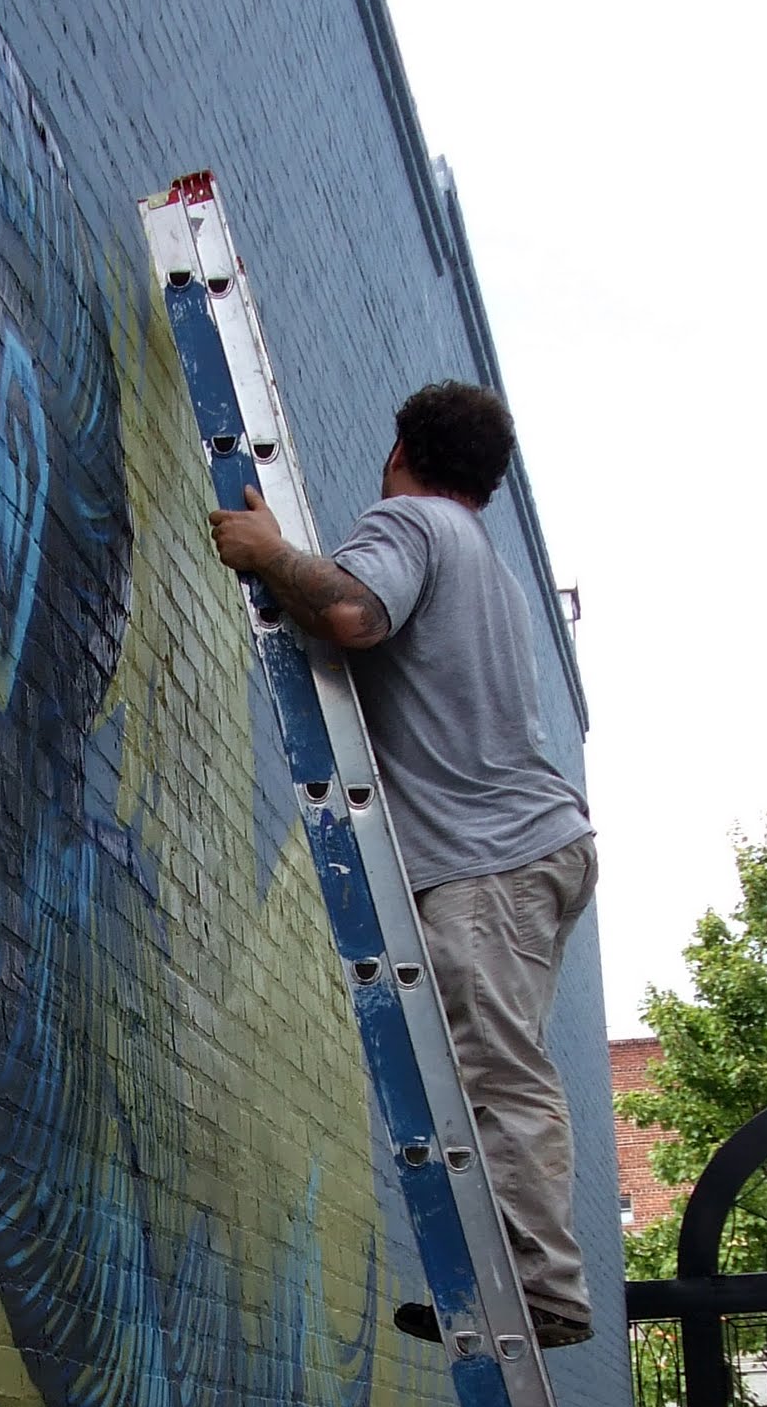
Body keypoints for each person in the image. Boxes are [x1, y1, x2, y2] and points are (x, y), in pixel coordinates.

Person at [207, 379, 597, 1348]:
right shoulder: (485, 564)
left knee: (494, 1066)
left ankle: (541, 1288)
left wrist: (270, 557)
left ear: (399, 452)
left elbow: (355, 616)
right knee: (483, 1067)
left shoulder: (413, 522)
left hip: (488, 857)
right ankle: (496, 1286)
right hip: (527, 848)